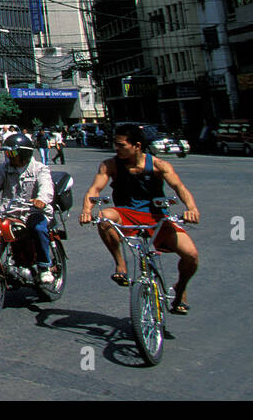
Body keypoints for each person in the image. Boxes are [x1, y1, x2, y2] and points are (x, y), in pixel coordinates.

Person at [80, 124, 199, 314]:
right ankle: (120, 264)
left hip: (157, 217)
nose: (116, 149)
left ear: (137, 145)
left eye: (121, 145)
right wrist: (87, 210)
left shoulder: (160, 166)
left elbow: (180, 188)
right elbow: (94, 190)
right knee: (104, 218)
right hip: (125, 213)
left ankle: (181, 288)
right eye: (115, 144)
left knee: (191, 256)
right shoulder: (110, 165)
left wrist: (191, 208)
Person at [0, 132, 55, 285]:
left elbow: (46, 186)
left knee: (38, 228)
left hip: (33, 212)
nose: (9, 156)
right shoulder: (4, 169)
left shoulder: (39, 169)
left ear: (24, 153)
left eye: (12, 152)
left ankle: (44, 267)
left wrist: (42, 199)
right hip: (9, 212)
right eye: (7, 152)